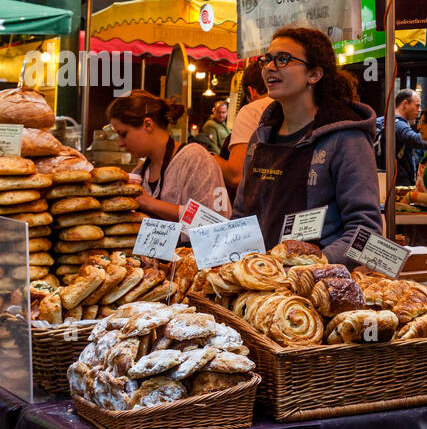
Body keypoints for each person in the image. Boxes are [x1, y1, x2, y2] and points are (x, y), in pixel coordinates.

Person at [233, 26, 383, 263]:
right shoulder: (260, 139)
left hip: (313, 290)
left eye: (283, 59)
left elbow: (366, 233)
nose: (270, 67)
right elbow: (240, 216)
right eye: (267, 59)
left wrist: (311, 266)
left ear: (314, 75)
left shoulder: (346, 139)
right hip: (258, 284)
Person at [108, 92, 230, 221]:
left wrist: (150, 203)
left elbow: (213, 219)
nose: (120, 143)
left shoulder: (195, 159)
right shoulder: (138, 173)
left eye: (123, 134)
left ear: (148, 125)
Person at [215, 57, 270, 188]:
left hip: (260, 201)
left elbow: (236, 176)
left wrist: (211, 158)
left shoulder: (252, 110)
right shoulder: (300, 107)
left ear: (252, 91)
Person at [374, 88, 425, 186]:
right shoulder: (398, 124)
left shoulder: (381, 121)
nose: (419, 110)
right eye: (417, 105)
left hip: (380, 179)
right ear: (405, 104)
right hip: (398, 182)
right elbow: (416, 140)